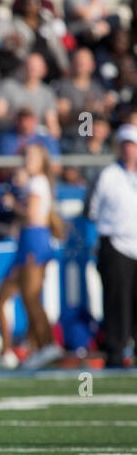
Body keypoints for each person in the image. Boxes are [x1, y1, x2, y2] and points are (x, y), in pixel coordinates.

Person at [0, 144, 62, 371]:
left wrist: (13, 205)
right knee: (26, 297)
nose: (27, 160)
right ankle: (39, 346)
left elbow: (33, 215)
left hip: (33, 240)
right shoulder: (35, 182)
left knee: (32, 297)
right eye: (26, 155)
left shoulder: (37, 182)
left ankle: (47, 344)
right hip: (30, 240)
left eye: (32, 156)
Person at [88, 124, 137, 369]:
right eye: (126, 144)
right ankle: (116, 352)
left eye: (133, 145)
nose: (130, 150)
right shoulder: (108, 175)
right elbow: (91, 210)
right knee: (117, 301)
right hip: (116, 244)